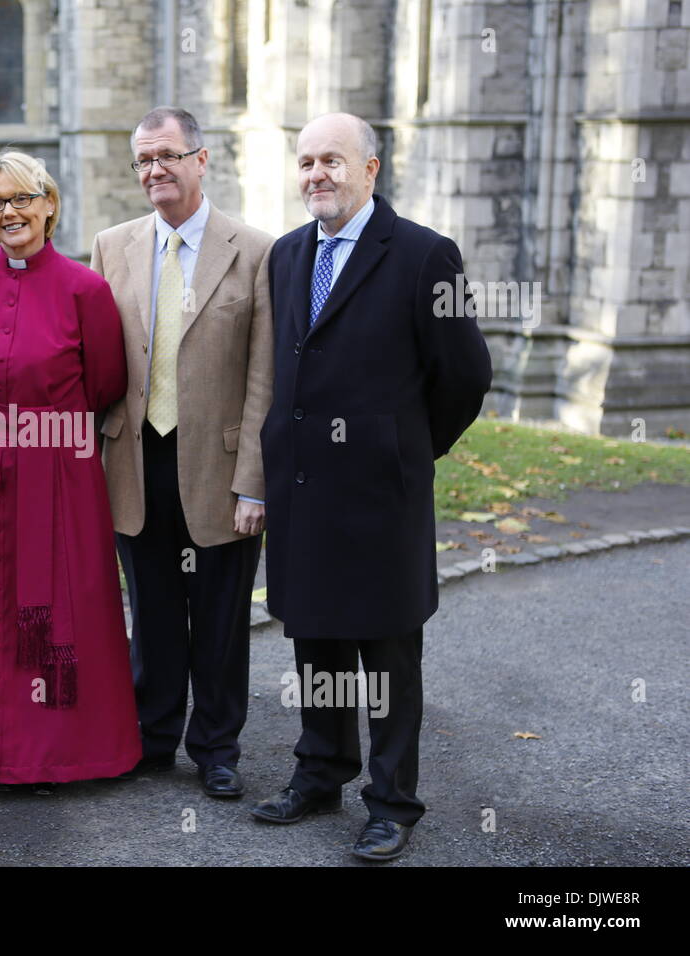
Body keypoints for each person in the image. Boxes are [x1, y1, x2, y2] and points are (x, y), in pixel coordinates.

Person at [250, 112, 492, 860]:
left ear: (370, 168)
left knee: (387, 658)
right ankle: (320, 771)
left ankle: (391, 801)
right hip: (302, 490)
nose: (316, 174)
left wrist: (407, 450)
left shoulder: (424, 255)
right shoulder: (288, 254)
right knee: (315, 645)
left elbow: (465, 375)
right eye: (306, 161)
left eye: (332, 160)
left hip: (381, 497)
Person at [0, 151, 140, 787]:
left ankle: (54, 752)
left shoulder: (85, 288)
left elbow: (106, 383)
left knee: (46, 607)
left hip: (55, 466)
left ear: (49, 204)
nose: (9, 212)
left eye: (21, 199)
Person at [90, 107, 275, 800]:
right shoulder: (112, 245)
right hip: (134, 461)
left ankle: (217, 747)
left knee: (222, 618)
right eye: (142, 160)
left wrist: (254, 481)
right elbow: (101, 362)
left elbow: (265, 378)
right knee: (154, 609)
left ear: (203, 161)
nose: (154, 170)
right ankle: (154, 735)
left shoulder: (256, 250)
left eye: (167, 155)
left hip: (222, 469)